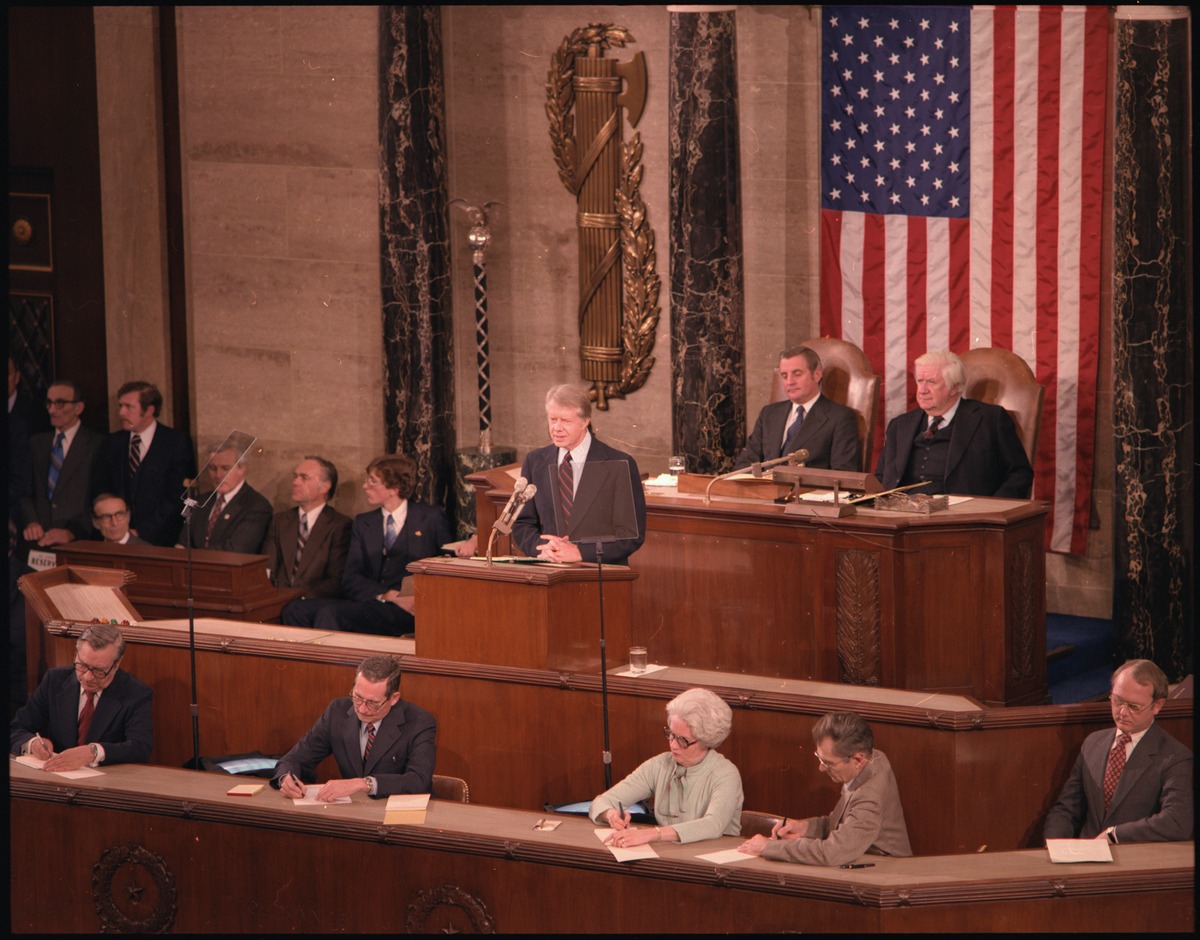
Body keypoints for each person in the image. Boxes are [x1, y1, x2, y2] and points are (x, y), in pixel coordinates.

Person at [280, 455, 453, 635]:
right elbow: (351, 578)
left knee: (331, 614)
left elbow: (448, 565)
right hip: (374, 601)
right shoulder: (364, 523)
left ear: (394, 488)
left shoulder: (429, 518)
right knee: (295, 609)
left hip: (412, 607)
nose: (365, 486)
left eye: (373, 481)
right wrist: (388, 595)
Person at [1043, 660, 1192, 844]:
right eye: (1117, 701)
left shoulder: (1175, 757)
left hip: (1132, 857)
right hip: (1083, 855)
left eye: (1134, 707)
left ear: (1157, 706)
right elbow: (1066, 810)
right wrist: (1056, 846)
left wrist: (1115, 835)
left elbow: (1177, 822)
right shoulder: (1092, 743)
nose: (1122, 712)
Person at [737, 711, 912, 866]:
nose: (821, 768)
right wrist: (805, 827)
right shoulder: (871, 758)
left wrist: (770, 847)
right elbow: (841, 823)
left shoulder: (870, 796)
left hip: (881, 871)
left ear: (857, 760)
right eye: (820, 759)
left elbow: (832, 852)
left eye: (828, 763)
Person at [511, 384, 647, 565]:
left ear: (585, 422)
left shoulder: (620, 463)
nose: (557, 428)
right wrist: (543, 548)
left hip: (598, 573)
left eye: (565, 421)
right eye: (553, 419)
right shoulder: (534, 461)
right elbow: (523, 524)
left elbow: (631, 536)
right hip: (549, 569)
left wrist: (580, 552)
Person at [589, 688, 743, 846]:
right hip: (668, 856)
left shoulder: (726, 774)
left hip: (714, 857)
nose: (673, 745)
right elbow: (602, 802)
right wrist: (610, 815)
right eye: (671, 734)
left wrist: (651, 834)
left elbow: (713, 824)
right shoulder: (659, 765)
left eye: (682, 740)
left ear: (706, 741)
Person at [270, 655, 435, 800]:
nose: (362, 709)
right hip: (351, 812)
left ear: (393, 698)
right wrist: (286, 778)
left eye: (373, 703)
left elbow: (419, 780)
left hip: (395, 814)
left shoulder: (419, 722)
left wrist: (364, 784)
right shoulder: (337, 712)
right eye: (357, 697)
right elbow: (294, 759)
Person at [876, 349, 1033, 498]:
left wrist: (992, 510)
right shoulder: (899, 425)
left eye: (931, 382)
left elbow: (1019, 474)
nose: (922, 390)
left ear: (955, 387)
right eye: (920, 381)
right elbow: (881, 477)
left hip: (961, 513)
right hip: (899, 511)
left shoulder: (990, 419)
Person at [9, 623, 153, 770]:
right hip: (54, 775)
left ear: (117, 664)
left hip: (105, 779)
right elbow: (16, 728)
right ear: (76, 654)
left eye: (99, 671)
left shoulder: (136, 693)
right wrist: (32, 743)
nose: (88, 677)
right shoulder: (54, 680)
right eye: (82, 665)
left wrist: (93, 752)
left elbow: (140, 748)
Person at [95, 380, 197, 546]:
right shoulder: (111, 443)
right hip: (117, 541)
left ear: (149, 410)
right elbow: (102, 489)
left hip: (161, 541)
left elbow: (177, 496)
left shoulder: (175, 442)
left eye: (129, 407)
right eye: (120, 406)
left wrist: (142, 532)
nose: (121, 412)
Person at [735, 346, 860, 471]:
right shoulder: (769, 413)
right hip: (763, 484)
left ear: (816, 375)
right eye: (784, 376)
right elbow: (745, 463)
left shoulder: (840, 418)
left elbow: (843, 472)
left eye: (797, 374)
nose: (789, 382)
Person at [18, 379, 105, 550]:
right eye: (49, 403)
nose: (51, 410)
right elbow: (24, 491)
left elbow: (101, 498)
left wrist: (73, 532)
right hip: (39, 543)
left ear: (78, 407)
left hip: (79, 543)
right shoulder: (36, 443)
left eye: (59, 403)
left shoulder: (97, 444)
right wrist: (31, 521)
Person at [264, 456, 352, 598]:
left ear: (325, 486)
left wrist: (299, 597)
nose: (295, 482)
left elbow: (336, 579)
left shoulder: (340, 525)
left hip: (313, 603)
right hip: (275, 599)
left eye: (304, 478)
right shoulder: (279, 521)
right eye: (295, 476)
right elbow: (267, 568)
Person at [187, 441, 272, 554]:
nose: (218, 475)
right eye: (213, 468)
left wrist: (194, 556)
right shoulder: (198, 501)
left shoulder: (257, 506)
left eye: (225, 468)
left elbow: (237, 549)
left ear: (242, 469)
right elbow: (183, 543)